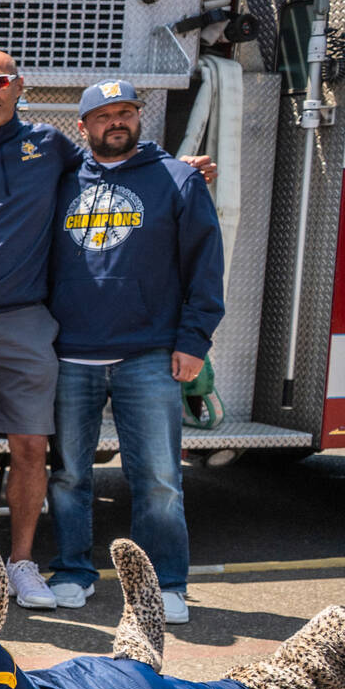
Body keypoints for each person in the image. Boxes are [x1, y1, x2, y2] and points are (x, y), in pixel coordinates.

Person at [0, 50, 215, 611]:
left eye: (2, 80)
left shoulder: (55, 149)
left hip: (41, 325)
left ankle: (48, 568)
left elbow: (133, 175)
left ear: (19, 87)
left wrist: (182, 170)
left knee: (56, 453)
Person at [45, 81, 224, 623]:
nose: (115, 123)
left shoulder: (178, 179)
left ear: (139, 117)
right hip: (71, 351)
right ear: (84, 126)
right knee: (71, 474)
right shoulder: (62, 178)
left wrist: (193, 341)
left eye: (125, 112)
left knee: (159, 478)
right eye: (103, 116)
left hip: (148, 352)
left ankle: (164, 583)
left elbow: (205, 265)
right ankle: (72, 571)